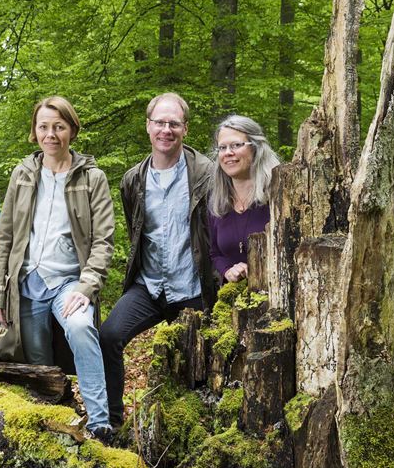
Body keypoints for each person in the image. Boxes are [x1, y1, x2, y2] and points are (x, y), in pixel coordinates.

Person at [0, 96, 115, 439]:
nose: (51, 134)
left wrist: (87, 287)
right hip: (27, 284)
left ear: (72, 130)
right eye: (44, 126)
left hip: (70, 282)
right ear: (35, 131)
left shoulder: (92, 178)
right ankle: (56, 425)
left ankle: (101, 422)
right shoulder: (23, 174)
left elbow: (103, 241)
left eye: (59, 126)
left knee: (81, 329)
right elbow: (5, 236)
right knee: (39, 363)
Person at [99, 92, 217, 429]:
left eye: (174, 123)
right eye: (160, 122)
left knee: (202, 359)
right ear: (148, 126)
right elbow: (137, 233)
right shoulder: (132, 180)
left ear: (185, 129)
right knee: (108, 335)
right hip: (149, 287)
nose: (166, 129)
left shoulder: (205, 174)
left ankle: (199, 425)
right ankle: (112, 421)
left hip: (192, 287)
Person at [208, 115, 280, 283]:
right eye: (222, 147)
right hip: (235, 300)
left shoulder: (277, 193)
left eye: (236, 145)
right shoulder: (217, 200)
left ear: (255, 148)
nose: (228, 153)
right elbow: (215, 252)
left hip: (278, 293)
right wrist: (227, 270)